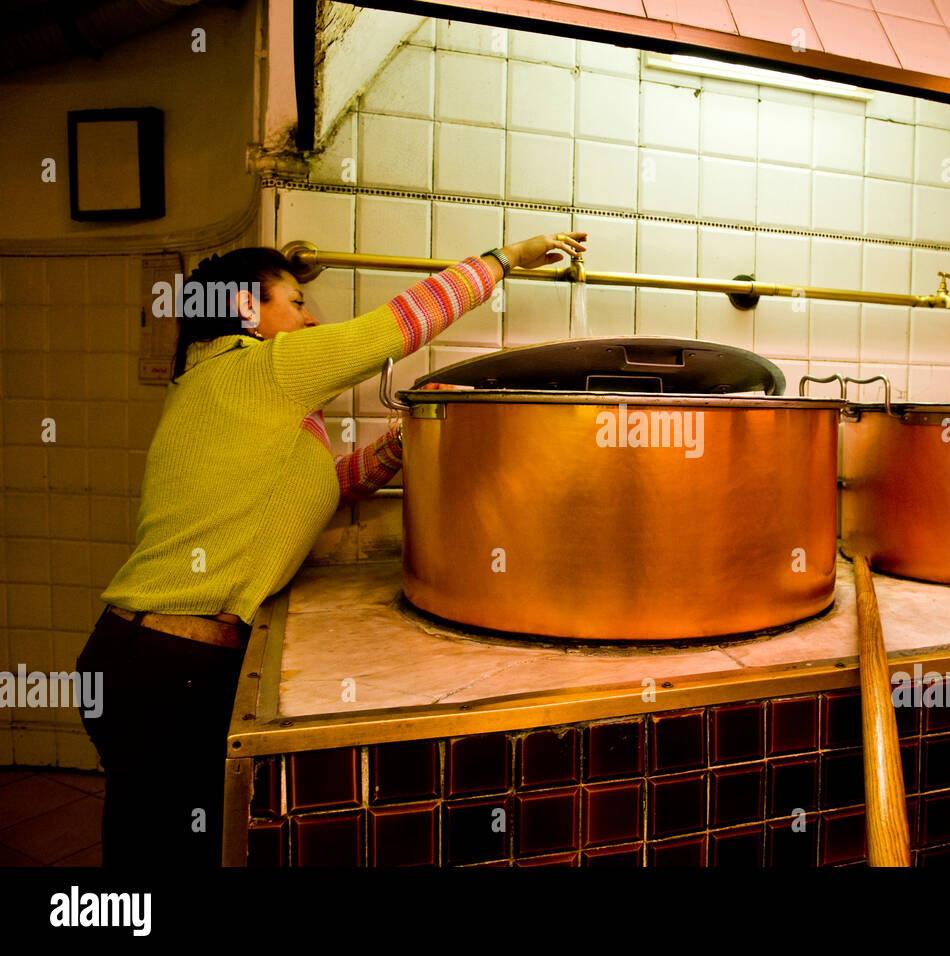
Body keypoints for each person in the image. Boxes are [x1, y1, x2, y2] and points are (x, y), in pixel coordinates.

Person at [76, 232, 588, 866]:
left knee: (148, 842)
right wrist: (506, 259)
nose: (311, 316)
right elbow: (399, 325)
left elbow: (317, 488)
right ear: (245, 310)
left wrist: (404, 445)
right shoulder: (263, 366)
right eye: (294, 300)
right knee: (172, 852)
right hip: (168, 667)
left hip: (138, 657)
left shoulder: (225, 384)